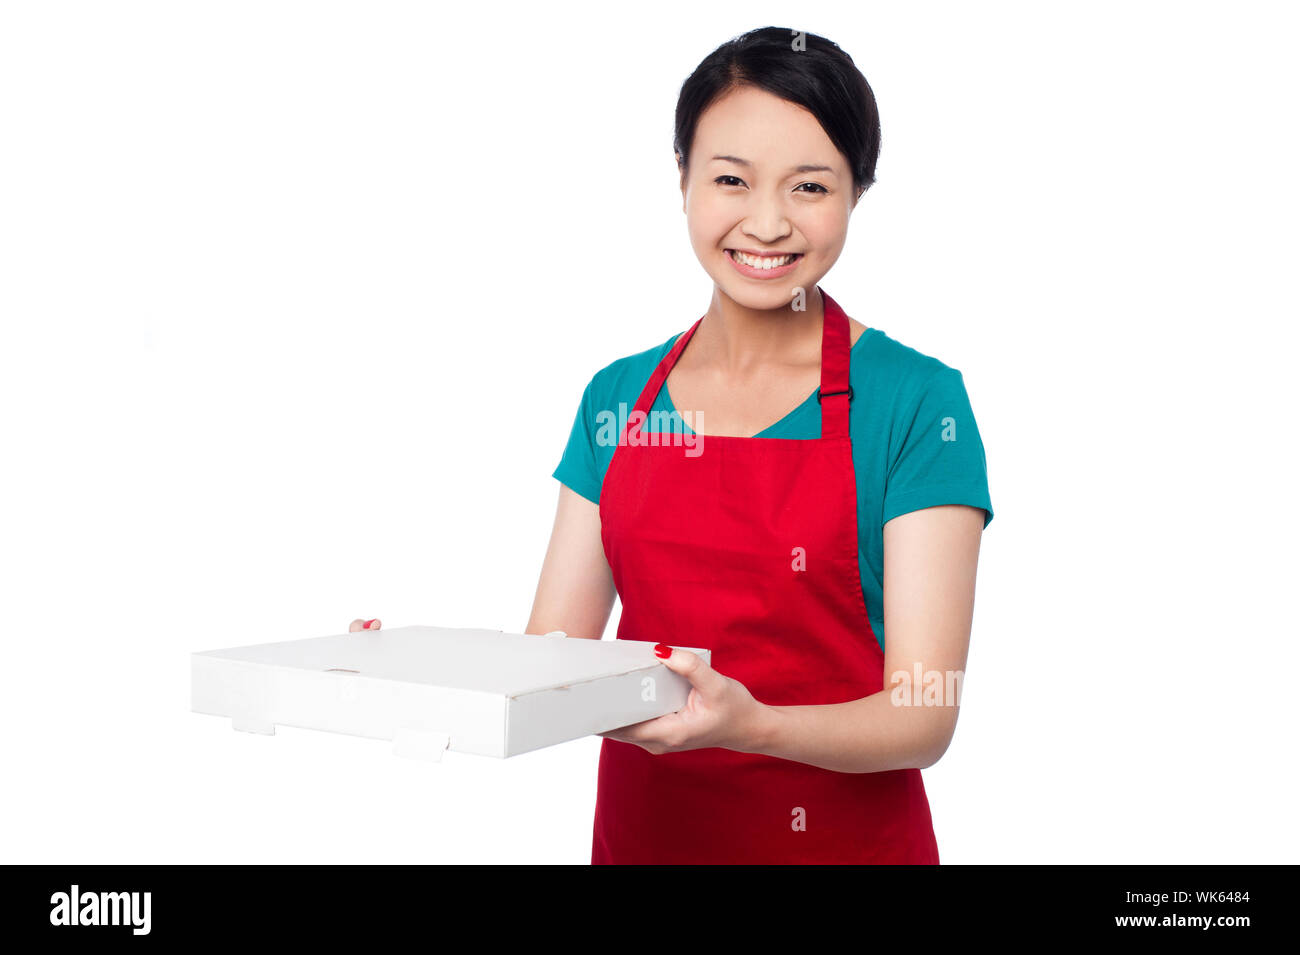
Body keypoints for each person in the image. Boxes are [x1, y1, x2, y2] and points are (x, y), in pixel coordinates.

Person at [355, 25, 992, 864]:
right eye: (731, 179)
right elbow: (558, 651)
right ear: (684, 181)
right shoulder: (618, 399)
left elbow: (923, 714)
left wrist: (752, 724)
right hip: (646, 842)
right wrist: (425, 664)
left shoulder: (915, 400)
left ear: (855, 195)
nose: (766, 223)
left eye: (809, 186)